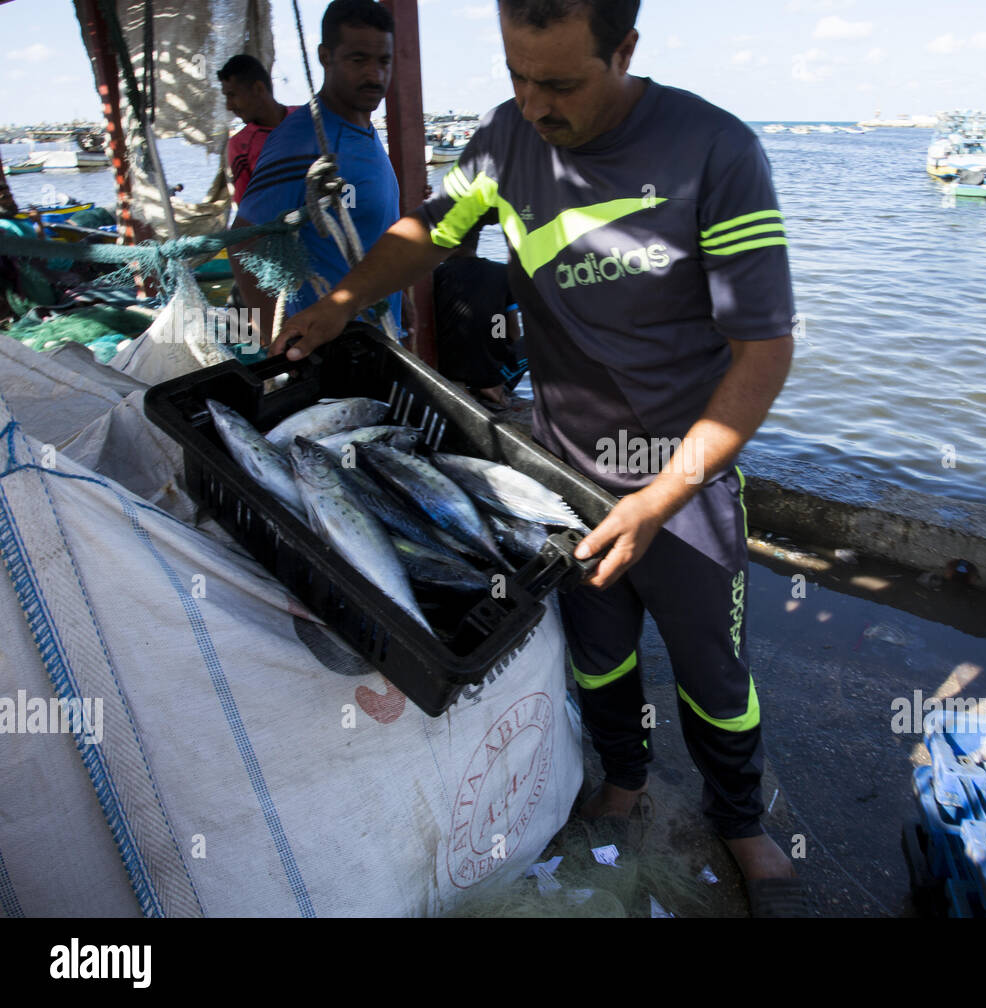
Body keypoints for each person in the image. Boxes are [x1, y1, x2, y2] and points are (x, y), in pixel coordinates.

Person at [272, 0, 801, 915]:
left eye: (559, 82)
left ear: (625, 49)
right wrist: (344, 300)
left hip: (686, 481)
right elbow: (426, 234)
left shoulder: (716, 149)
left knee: (712, 670)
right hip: (560, 472)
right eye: (517, 75)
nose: (534, 102)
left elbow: (766, 350)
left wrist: (666, 493)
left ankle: (741, 815)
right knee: (597, 654)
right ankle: (623, 779)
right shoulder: (506, 140)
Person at [231, 0, 400, 345]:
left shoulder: (363, 128)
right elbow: (243, 240)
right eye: (358, 60)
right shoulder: (303, 140)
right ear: (325, 57)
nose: (375, 75)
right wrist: (278, 342)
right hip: (329, 352)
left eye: (383, 61)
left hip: (377, 339)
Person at [433, 219, 527, 408]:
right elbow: (514, 333)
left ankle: (472, 383)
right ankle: (494, 385)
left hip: (449, 368)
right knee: (532, 341)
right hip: (488, 369)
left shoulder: (438, 274)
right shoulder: (502, 273)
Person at [218, 54, 296, 206]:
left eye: (232, 95)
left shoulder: (310, 120)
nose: (229, 106)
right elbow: (247, 208)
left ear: (258, 89)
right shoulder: (239, 145)